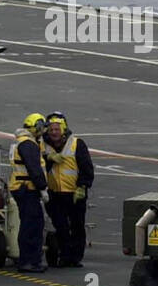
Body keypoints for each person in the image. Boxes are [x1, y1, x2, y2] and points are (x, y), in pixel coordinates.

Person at [42, 112, 94, 267]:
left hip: (74, 194)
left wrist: (82, 186)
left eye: (57, 129)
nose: (54, 133)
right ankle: (64, 255)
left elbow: (87, 168)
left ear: (63, 130)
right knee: (61, 226)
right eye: (51, 130)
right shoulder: (42, 145)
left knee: (77, 226)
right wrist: (49, 159)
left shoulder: (77, 144)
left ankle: (75, 258)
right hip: (54, 194)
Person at [9, 113, 50, 272]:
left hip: (20, 188)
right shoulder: (28, 144)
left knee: (28, 224)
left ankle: (29, 260)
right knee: (33, 225)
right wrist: (42, 188)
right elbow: (35, 169)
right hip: (28, 189)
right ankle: (30, 261)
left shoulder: (20, 142)